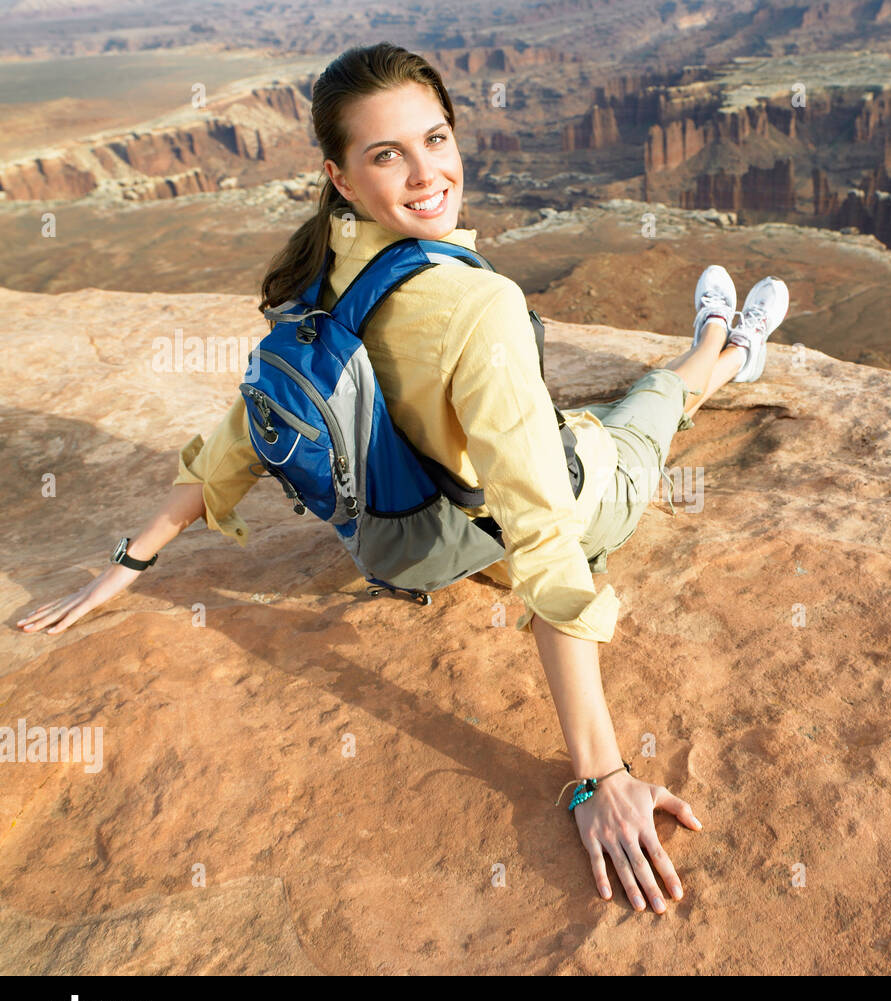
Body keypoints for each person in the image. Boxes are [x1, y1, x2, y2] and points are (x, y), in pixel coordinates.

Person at [16, 42, 789, 915]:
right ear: (340, 175)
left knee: (595, 418)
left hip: (399, 547)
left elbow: (253, 421)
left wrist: (135, 556)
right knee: (633, 424)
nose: (429, 174)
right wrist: (598, 776)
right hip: (546, 504)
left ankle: (723, 343)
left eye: (437, 139)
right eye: (390, 154)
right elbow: (544, 532)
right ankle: (718, 353)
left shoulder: (321, 266)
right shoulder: (479, 305)